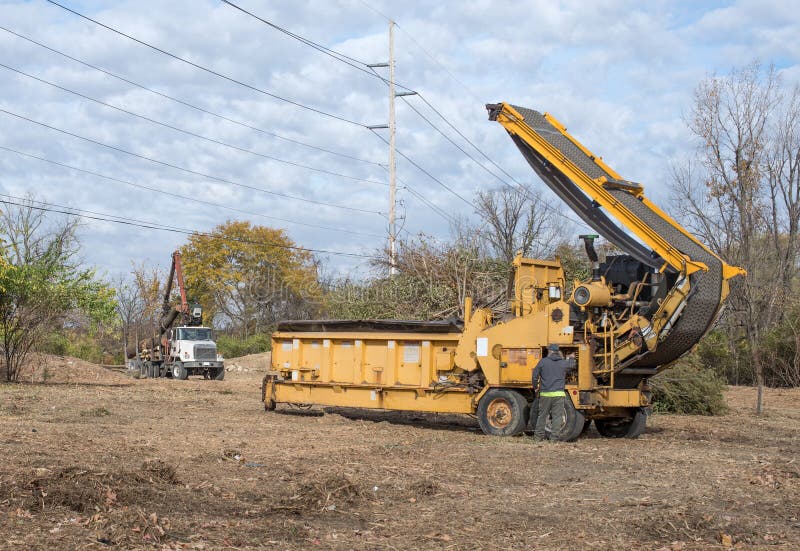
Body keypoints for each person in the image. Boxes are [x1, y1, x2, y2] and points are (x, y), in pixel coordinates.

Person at [531, 343, 574, 441]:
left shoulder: (543, 362)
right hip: (558, 394)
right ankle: (554, 439)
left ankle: (538, 437)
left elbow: (534, 375)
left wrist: (535, 387)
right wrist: (571, 357)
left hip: (545, 394)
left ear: (550, 351)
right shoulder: (563, 362)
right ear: (557, 351)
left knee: (542, 416)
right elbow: (572, 365)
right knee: (557, 417)